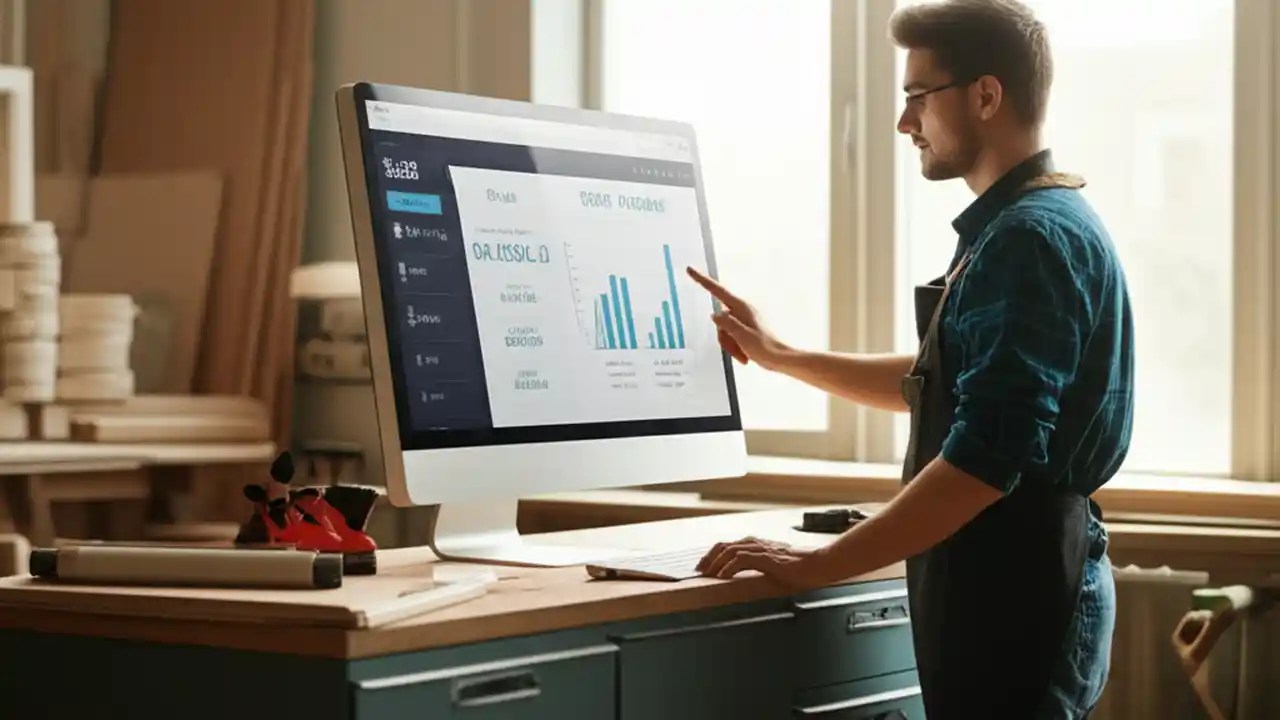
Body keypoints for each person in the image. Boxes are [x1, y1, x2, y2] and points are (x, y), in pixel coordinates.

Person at [690, 0, 1134, 718]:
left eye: (918, 96)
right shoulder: (1018, 225)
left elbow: (985, 458)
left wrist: (818, 564)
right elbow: (940, 385)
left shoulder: (1027, 239)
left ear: (985, 96)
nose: (904, 123)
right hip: (1013, 579)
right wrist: (782, 357)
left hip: (1025, 593)